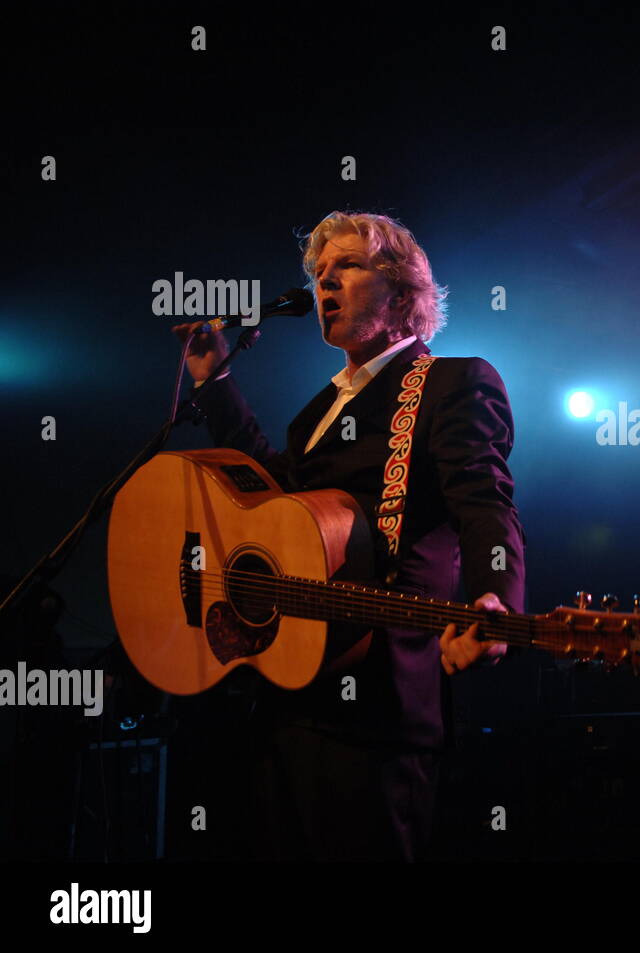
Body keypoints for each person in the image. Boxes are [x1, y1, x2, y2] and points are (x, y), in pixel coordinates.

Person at [172, 211, 526, 860]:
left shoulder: (451, 381)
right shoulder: (319, 408)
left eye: (346, 268)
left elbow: (485, 501)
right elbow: (269, 497)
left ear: (400, 293)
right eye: (318, 274)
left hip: (383, 697)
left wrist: (493, 595)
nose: (324, 284)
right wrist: (215, 384)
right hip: (290, 684)